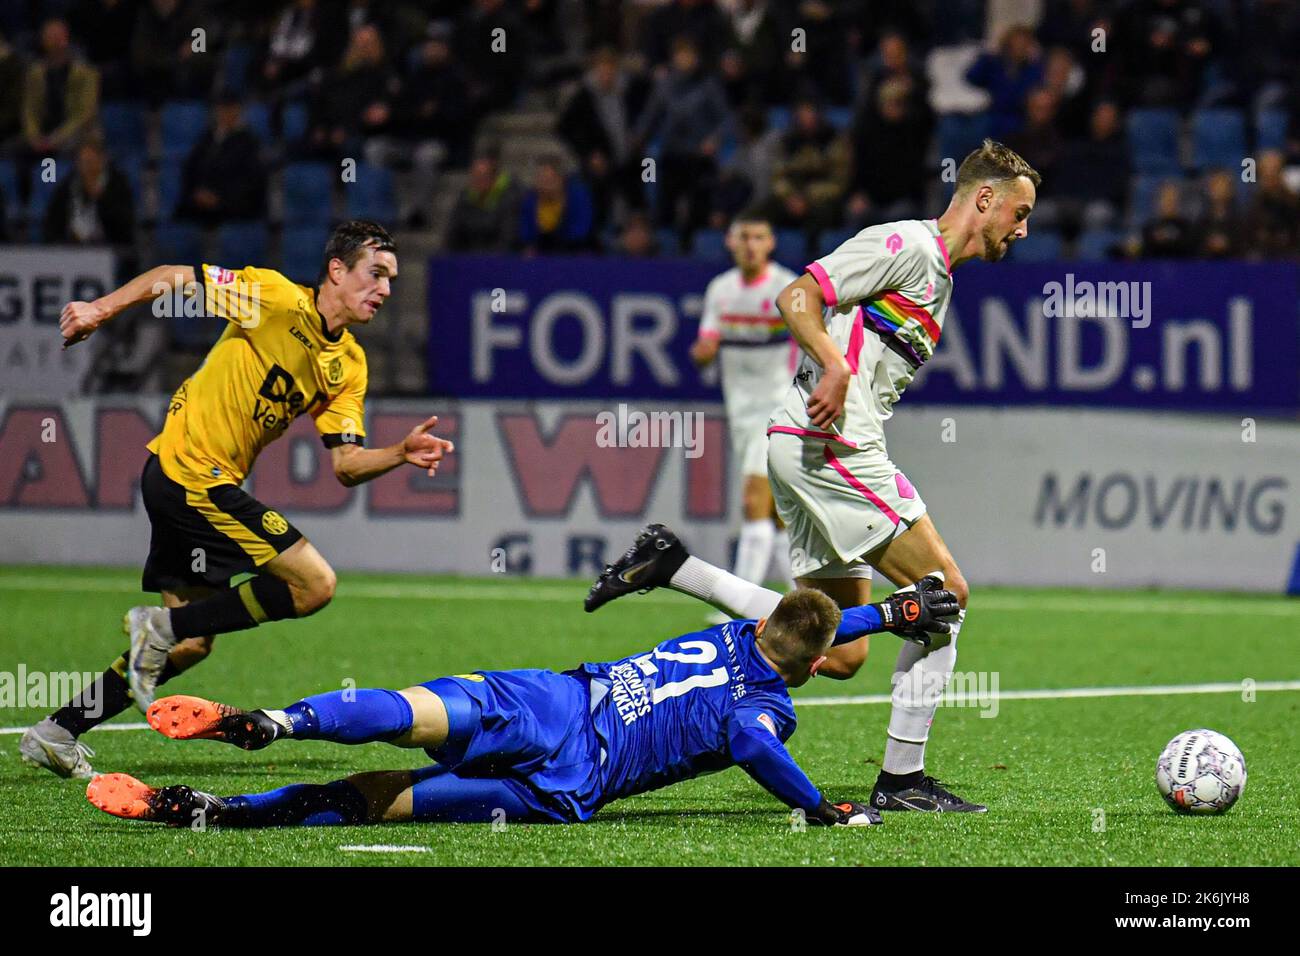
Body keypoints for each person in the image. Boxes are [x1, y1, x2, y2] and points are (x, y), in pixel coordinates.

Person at [20, 221, 455, 780]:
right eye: (377, 273)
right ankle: (157, 628)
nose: (387, 289)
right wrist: (100, 310)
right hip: (191, 473)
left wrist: (399, 452)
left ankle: (57, 732)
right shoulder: (273, 297)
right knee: (315, 583)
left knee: (192, 642)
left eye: (392, 279)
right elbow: (172, 277)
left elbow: (346, 465)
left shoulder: (348, 365)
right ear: (337, 270)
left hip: (186, 481)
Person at [86, 549, 960, 828]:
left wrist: (885, 615)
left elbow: (808, 627)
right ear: (807, 664)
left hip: (562, 697)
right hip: (571, 780)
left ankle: (277, 720)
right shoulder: (769, 704)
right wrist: (821, 808)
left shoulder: (743, 630)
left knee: (414, 713)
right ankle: (206, 811)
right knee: (388, 799)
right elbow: (750, 740)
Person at [685, 140, 1037, 814]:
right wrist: (833, 364)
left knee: (833, 647)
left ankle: (679, 570)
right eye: (1018, 213)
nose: (1022, 230)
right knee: (945, 595)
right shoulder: (908, 245)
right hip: (835, 446)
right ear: (984, 199)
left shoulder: (940, 278)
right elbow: (798, 296)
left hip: (803, 446)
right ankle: (902, 780)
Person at [691, 214, 797, 599]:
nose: (751, 245)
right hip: (740, 408)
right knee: (779, 514)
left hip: (778, 402)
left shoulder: (786, 287)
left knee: (754, 500)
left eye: (759, 237)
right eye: (744, 237)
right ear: (730, 243)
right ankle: (804, 603)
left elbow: (810, 341)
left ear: (770, 243)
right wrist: (702, 353)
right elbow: (706, 347)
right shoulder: (720, 290)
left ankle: (739, 603)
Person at [42, 133, 135, 245]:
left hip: (110, 247)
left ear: (102, 160)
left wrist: (102, 198)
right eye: (83, 162)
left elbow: (125, 224)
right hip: (72, 247)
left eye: (91, 161)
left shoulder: (118, 183)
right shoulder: (68, 184)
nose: (87, 167)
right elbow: (53, 220)